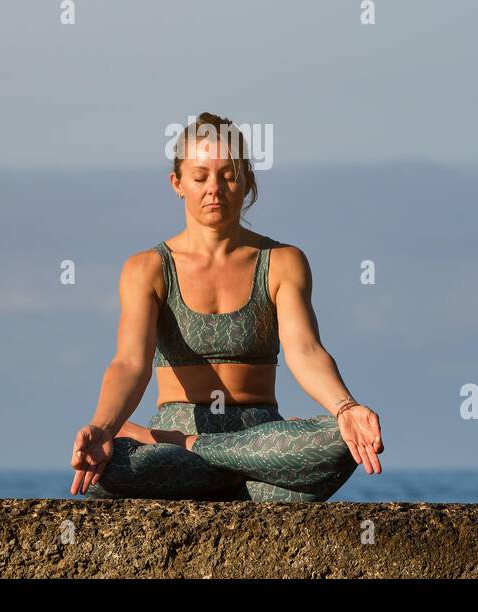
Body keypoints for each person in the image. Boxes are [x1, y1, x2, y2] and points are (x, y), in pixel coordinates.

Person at [69, 112, 384, 502]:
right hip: (201, 449)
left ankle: (196, 449)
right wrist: (102, 428)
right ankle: (240, 474)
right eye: (200, 177)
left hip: (259, 436)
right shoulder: (147, 268)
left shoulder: (282, 261)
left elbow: (305, 350)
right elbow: (130, 363)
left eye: (228, 175)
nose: (214, 189)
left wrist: (345, 407)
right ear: (177, 183)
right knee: (109, 466)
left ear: (247, 181)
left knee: (343, 440)